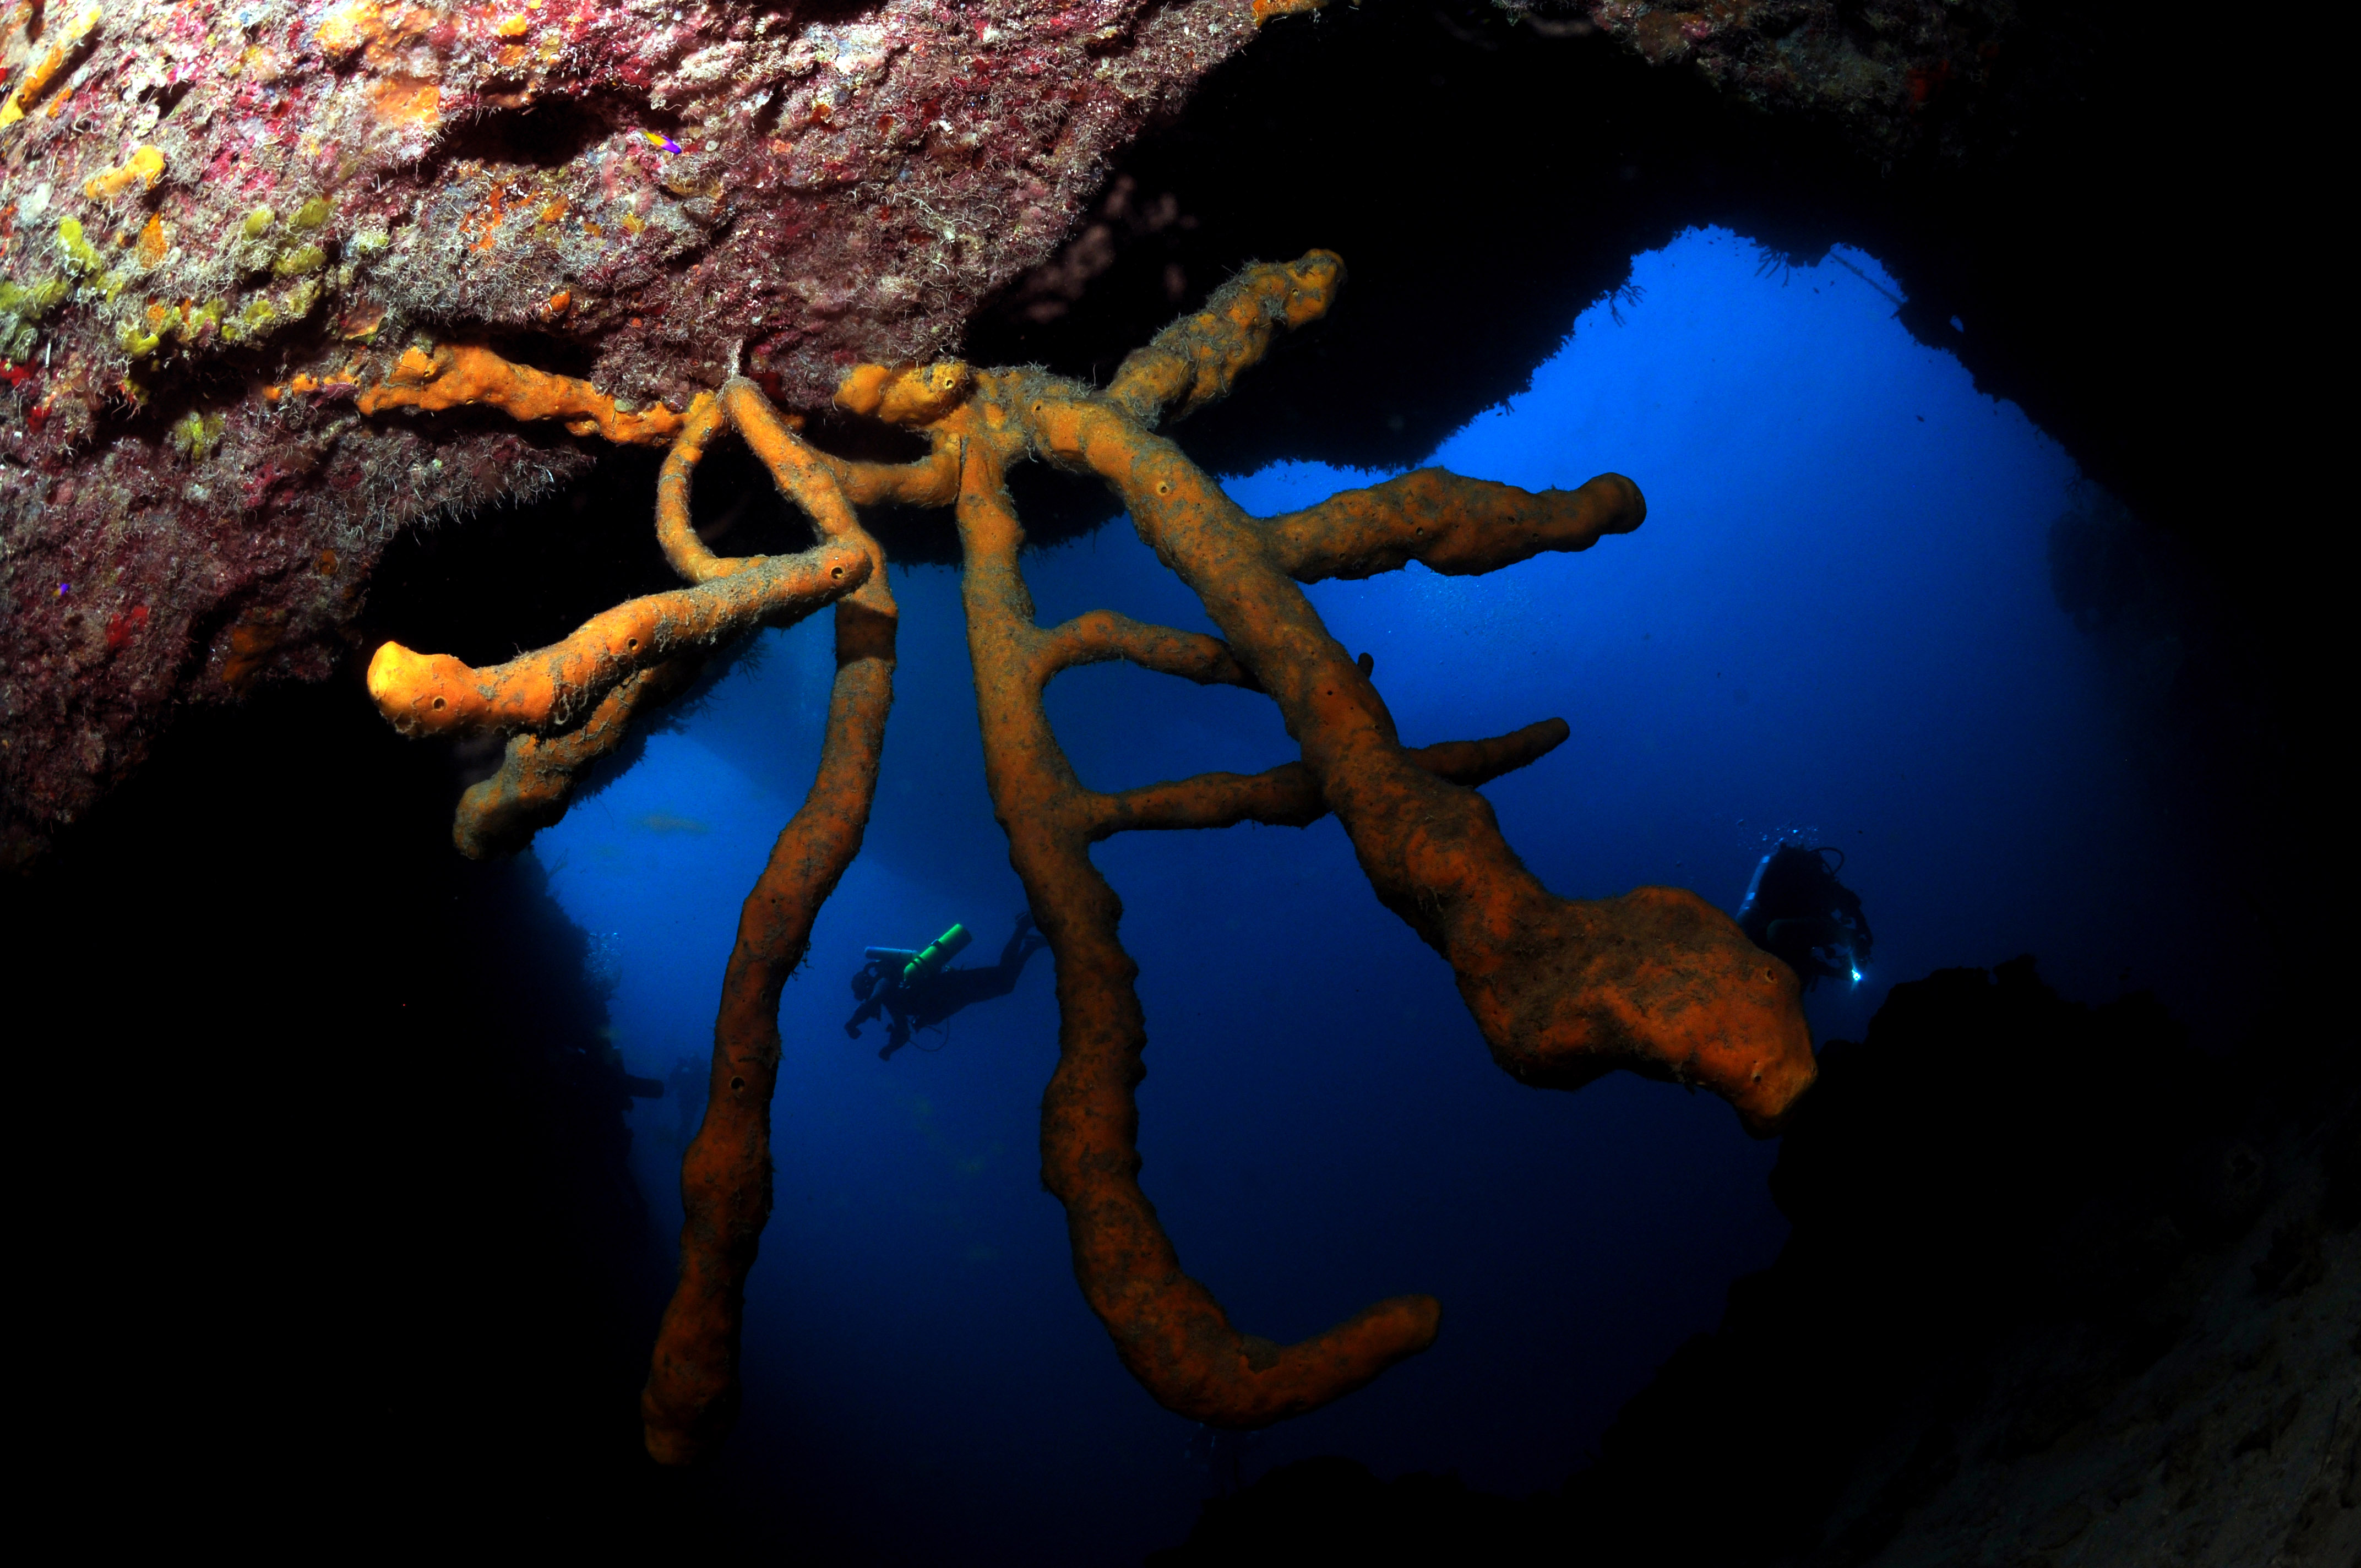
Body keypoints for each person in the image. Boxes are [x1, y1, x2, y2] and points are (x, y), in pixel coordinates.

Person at [846, 912, 1049, 1060]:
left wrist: (853, 1024)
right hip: (957, 995)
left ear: (866, 985)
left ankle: (1022, 927)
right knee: (1006, 984)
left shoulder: (885, 981)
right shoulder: (892, 1001)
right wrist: (890, 1049)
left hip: (955, 986)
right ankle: (1029, 945)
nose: (866, 998)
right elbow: (903, 1032)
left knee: (1004, 979)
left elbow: (873, 1002)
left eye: (863, 994)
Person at [1737, 842, 1873, 990]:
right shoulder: (1810, 876)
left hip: (1755, 938)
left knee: (1790, 958)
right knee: (1781, 938)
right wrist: (1858, 933)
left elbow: (1800, 961)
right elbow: (1845, 899)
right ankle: (1847, 942)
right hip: (1771, 937)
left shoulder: (1780, 880)